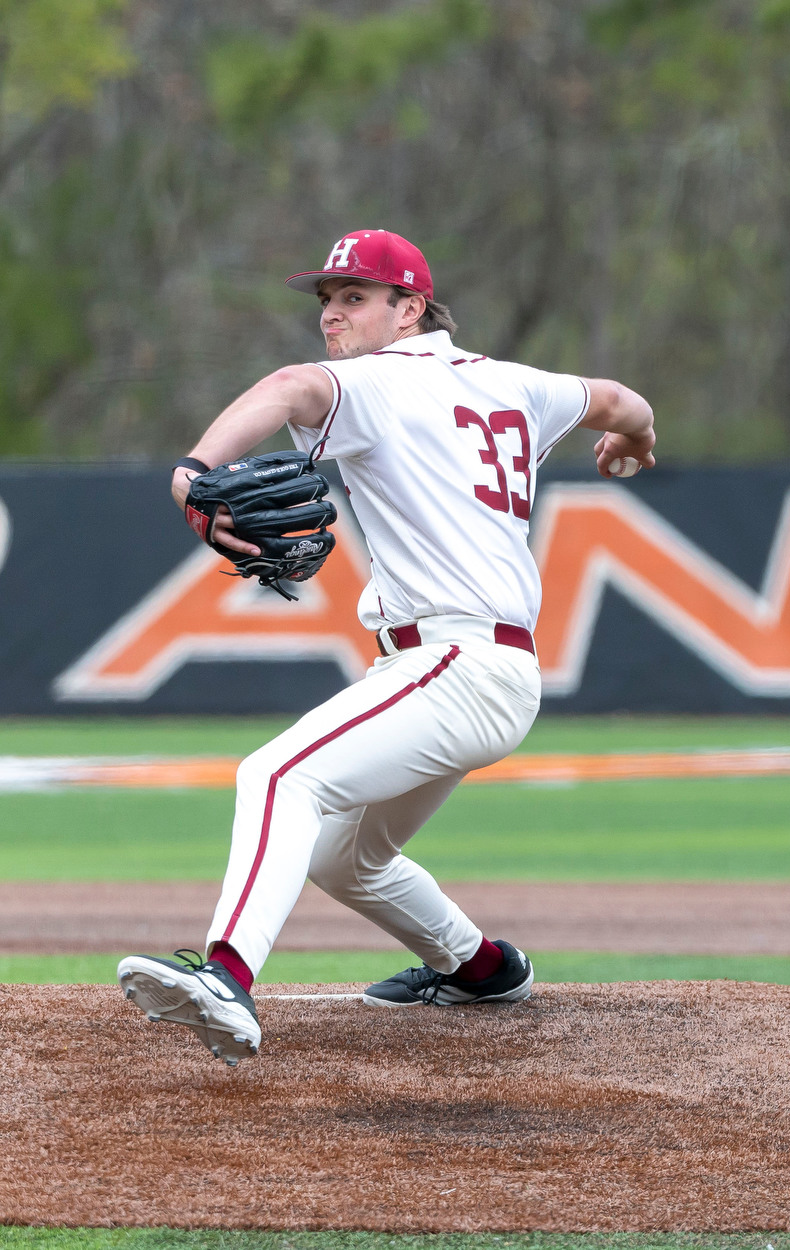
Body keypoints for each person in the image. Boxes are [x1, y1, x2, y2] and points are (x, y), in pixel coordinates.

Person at [116, 229, 656, 1064]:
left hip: (451, 663)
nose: (333, 314)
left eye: (356, 298)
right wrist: (637, 442)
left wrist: (192, 472)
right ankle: (480, 967)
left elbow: (290, 388)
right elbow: (619, 399)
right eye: (328, 300)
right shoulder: (517, 383)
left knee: (276, 775)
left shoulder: (376, 383)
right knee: (346, 857)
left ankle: (226, 973)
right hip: (484, 667)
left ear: (410, 309)